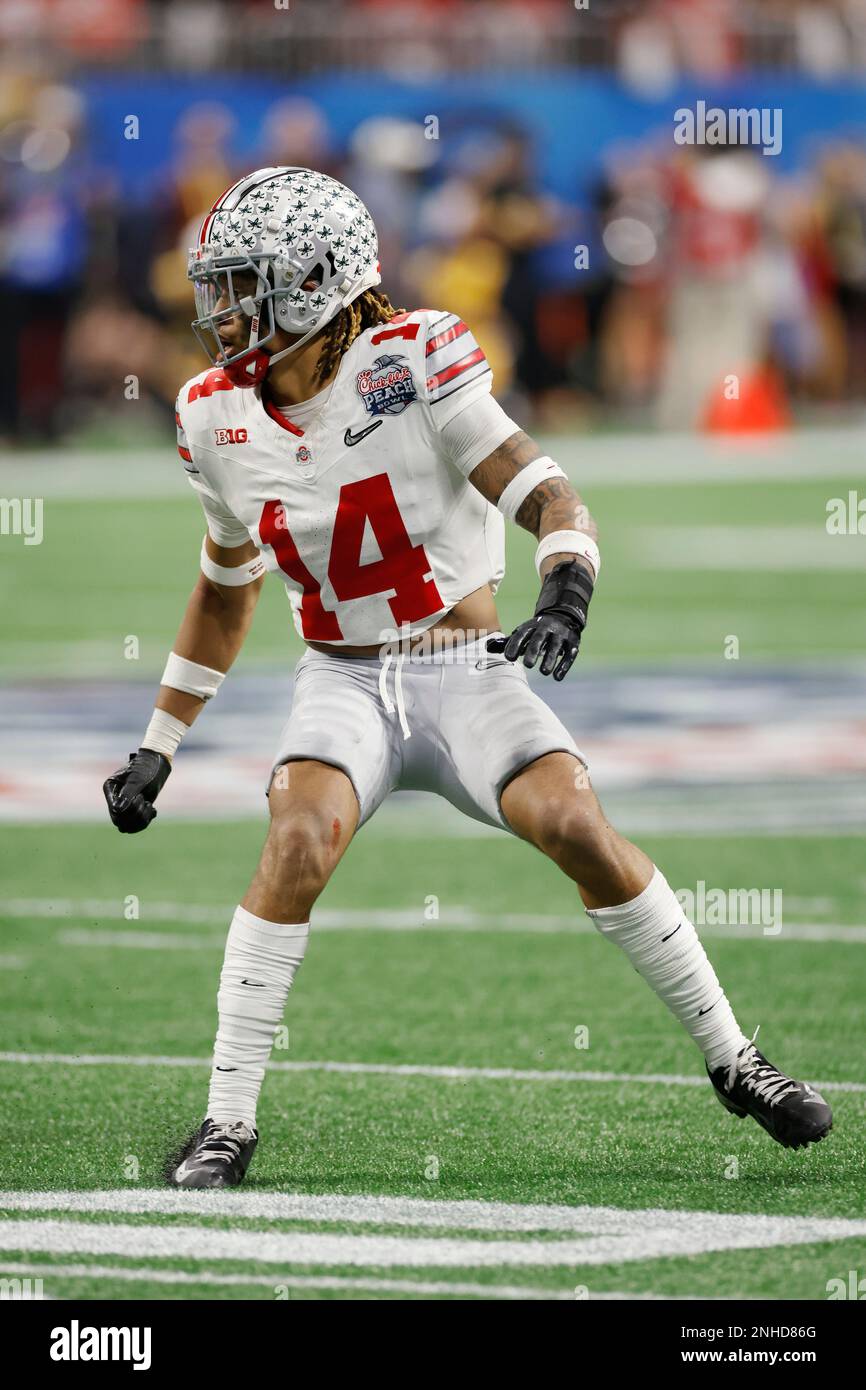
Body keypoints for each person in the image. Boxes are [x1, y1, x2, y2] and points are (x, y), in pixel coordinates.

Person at [103, 167, 832, 1188]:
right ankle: (226, 1122)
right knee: (297, 837)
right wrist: (158, 744)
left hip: (465, 667)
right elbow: (227, 589)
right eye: (216, 285)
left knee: (576, 825)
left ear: (316, 282)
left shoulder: (415, 358)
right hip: (344, 677)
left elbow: (539, 487)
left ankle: (734, 1059)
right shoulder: (212, 416)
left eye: (245, 284)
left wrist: (567, 580)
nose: (220, 309)